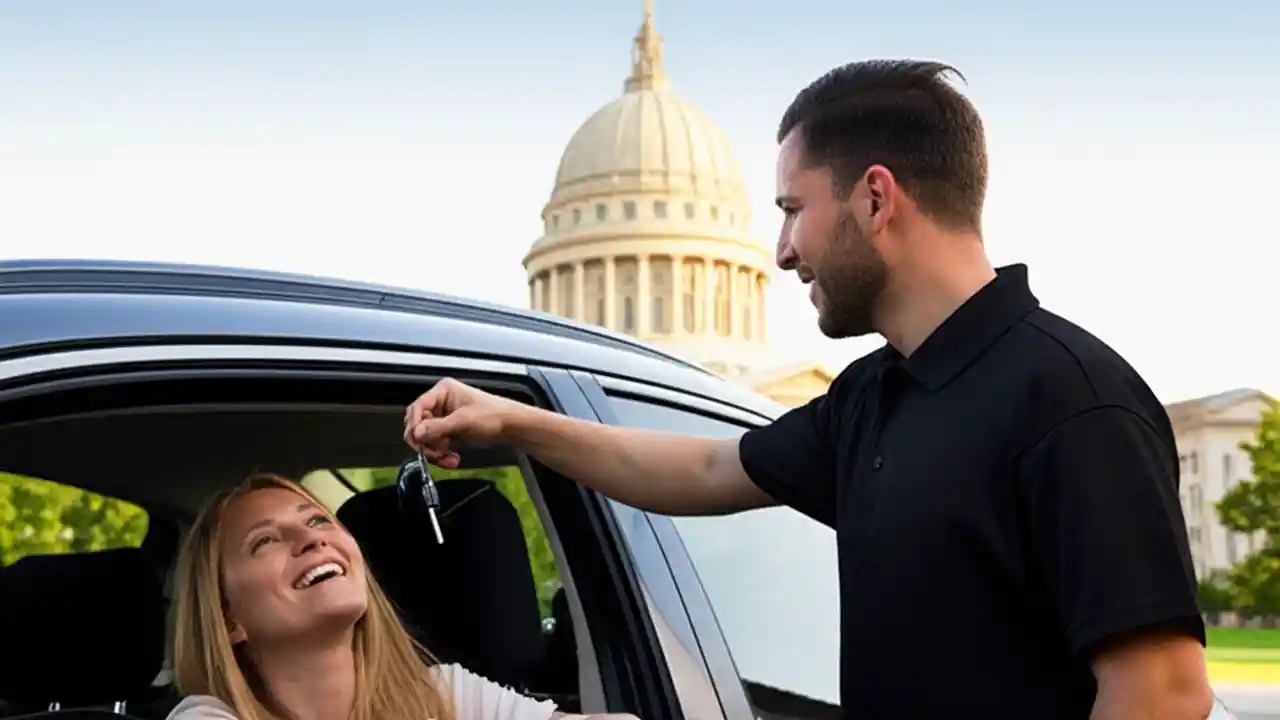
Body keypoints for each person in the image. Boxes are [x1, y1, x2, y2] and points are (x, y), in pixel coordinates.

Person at [404, 59, 1214, 719]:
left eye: (794, 210)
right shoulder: (871, 397)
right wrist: (517, 422)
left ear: (875, 197)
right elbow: (705, 469)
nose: (784, 250)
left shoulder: (1071, 400)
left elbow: (1162, 696)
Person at [166, 471, 635, 720]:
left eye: (318, 520)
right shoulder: (207, 717)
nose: (311, 539)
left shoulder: (443, 694)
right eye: (265, 540)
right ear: (227, 619)